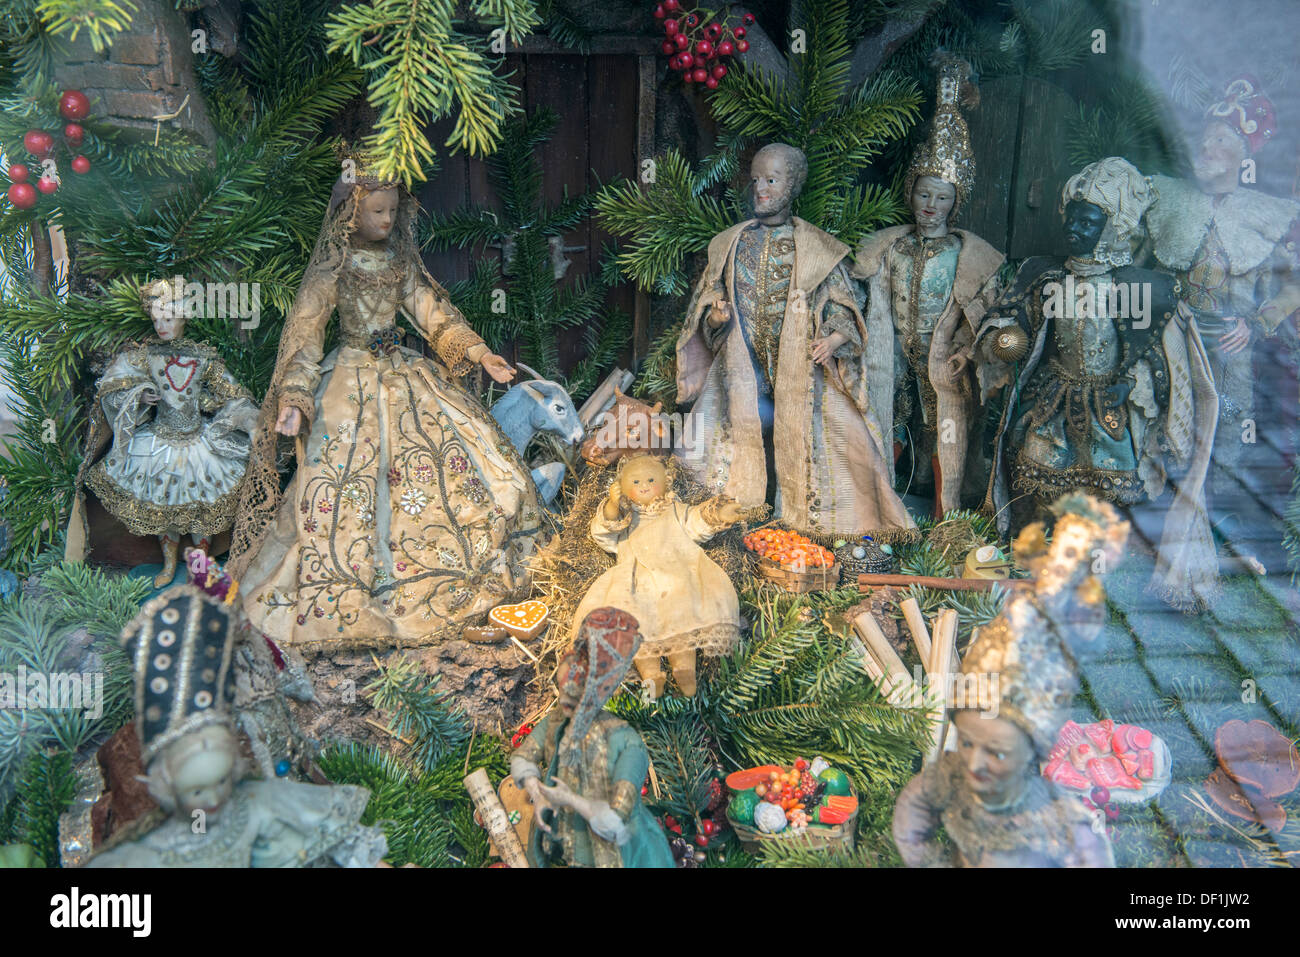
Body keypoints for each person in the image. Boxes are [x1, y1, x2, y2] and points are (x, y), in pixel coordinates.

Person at [227, 171, 546, 650]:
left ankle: (446, 571)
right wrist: (294, 398)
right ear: (351, 213)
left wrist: (479, 353)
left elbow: (431, 313)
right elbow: (306, 336)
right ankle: (357, 588)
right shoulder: (331, 270)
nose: (387, 219)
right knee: (346, 481)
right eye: (377, 210)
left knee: (448, 467)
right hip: (349, 381)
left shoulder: (399, 262)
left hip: (404, 375)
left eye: (393, 210)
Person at [977, 157, 1219, 609]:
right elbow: (1011, 317)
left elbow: (1157, 356)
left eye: (1088, 222)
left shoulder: (1140, 288)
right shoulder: (1045, 275)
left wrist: (1132, 385)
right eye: (1072, 218)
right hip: (1055, 397)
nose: (1075, 229)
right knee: (1040, 469)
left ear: (1113, 228)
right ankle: (1045, 551)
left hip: (1110, 404)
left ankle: (1102, 563)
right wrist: (1004, 337)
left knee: (1108, 483)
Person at [674, 143, 915, 542]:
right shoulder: (732, 244)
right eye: (755, 180)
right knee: (730, 441)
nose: (761, 190)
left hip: (801, 371)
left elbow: (843, 304)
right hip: (741, 367)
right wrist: (716, 318)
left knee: (815, 440)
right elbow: (707, 304)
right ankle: (731, 517)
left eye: (772, 180)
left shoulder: (818, 248)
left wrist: (834, 337)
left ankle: (808, 524)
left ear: (794, 185)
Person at [852, 54, 1005, 516]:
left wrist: (967, 348)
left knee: (948, 431)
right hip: (894, 356)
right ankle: (884, 506)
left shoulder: (970, 257)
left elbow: (984, 312)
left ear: (955, 203)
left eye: (942, 198)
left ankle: (946, 512)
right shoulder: (887, 248)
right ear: (910, 194)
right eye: (923, 194)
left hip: (945, 361)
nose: (930, 206)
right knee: (888, 426)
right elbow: (862, 296)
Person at [1144, 75, 1300, 503]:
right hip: (1173, 334)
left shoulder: (1268, 214)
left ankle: (1219, 515)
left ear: (1241, 153)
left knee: (1230, 419)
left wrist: (1257, 322)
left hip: (1232, 342)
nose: (1206, 148)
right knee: (1165, 410)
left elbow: (1294, 285)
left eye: (1219, 140)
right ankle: (1160, 506)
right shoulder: (1169, 200)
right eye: (1204, 139)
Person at [71, 279, 259, 586]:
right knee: (165, 510)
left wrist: (223, 408)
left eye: (169, 318)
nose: (162, 325)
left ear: (184, 316)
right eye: (156, 318)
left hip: (200, 443)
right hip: (158, 443)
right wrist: (140, 394)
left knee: (202, 512)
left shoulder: (205, 357)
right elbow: (113, 387)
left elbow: (232, 392)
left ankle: (201, 568)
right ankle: (169, 565)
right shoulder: (144, 355)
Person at [510, 607, 674, 868]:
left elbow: (616, 821)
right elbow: (523, 757)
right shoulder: (557, 723)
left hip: (617, 856)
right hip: (565, 850)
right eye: (562, 692)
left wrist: (570, 800)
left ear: (591, 698)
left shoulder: (626, 742)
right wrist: (536, 793)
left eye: (573, 700)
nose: (563, 701)